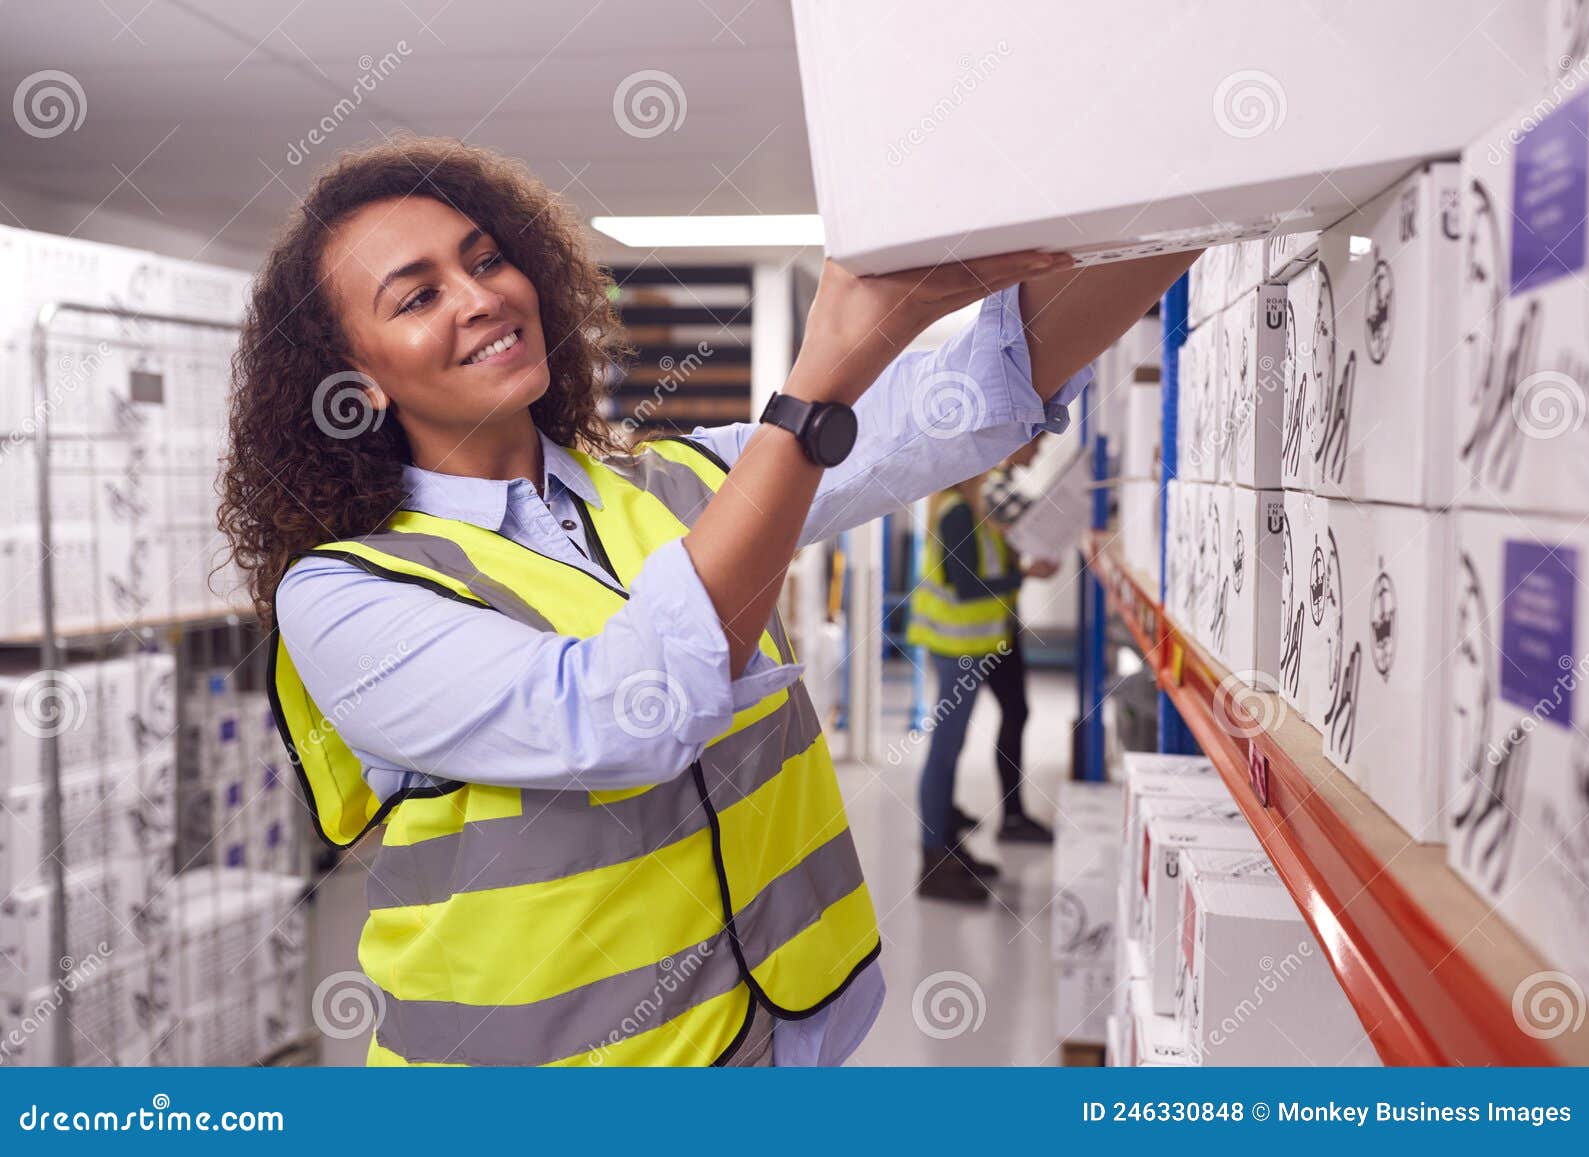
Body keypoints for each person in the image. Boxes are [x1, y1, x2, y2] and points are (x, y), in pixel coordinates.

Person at [219, 132, 1194, 1066]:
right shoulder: (344, 596)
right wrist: (823, 375)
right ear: (357, 382)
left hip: (777, 1032)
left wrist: (1203, 192)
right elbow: (626, 708)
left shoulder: (675, 485)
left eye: (484, 260)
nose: (478, 297)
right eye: (419, 295)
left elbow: (970, 398)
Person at [907, 442, 1059, 904]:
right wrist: (1025, 576)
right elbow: (968, 587)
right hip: (959, 650)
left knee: (950, 751)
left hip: (969, 648)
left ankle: (947, 848)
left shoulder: (972, 509)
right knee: (944, 753)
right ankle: (933, 863)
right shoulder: (957, 513)